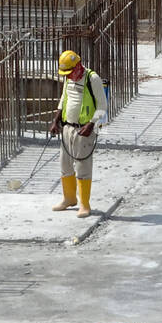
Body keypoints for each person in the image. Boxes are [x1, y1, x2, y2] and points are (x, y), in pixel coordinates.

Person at [49, 50, 109, 219]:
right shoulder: (68, 78)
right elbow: (64, 99)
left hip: (84, 129)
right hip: (68, 127)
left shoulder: (92, 79)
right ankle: (69, 199)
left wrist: (91, 124)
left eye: (70, 72)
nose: (68, 76)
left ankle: (84, 204)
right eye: (65, 73)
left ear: (78, 66)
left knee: (82, 166)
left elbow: (102, 106)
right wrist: (56, 120)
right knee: (65, 164)